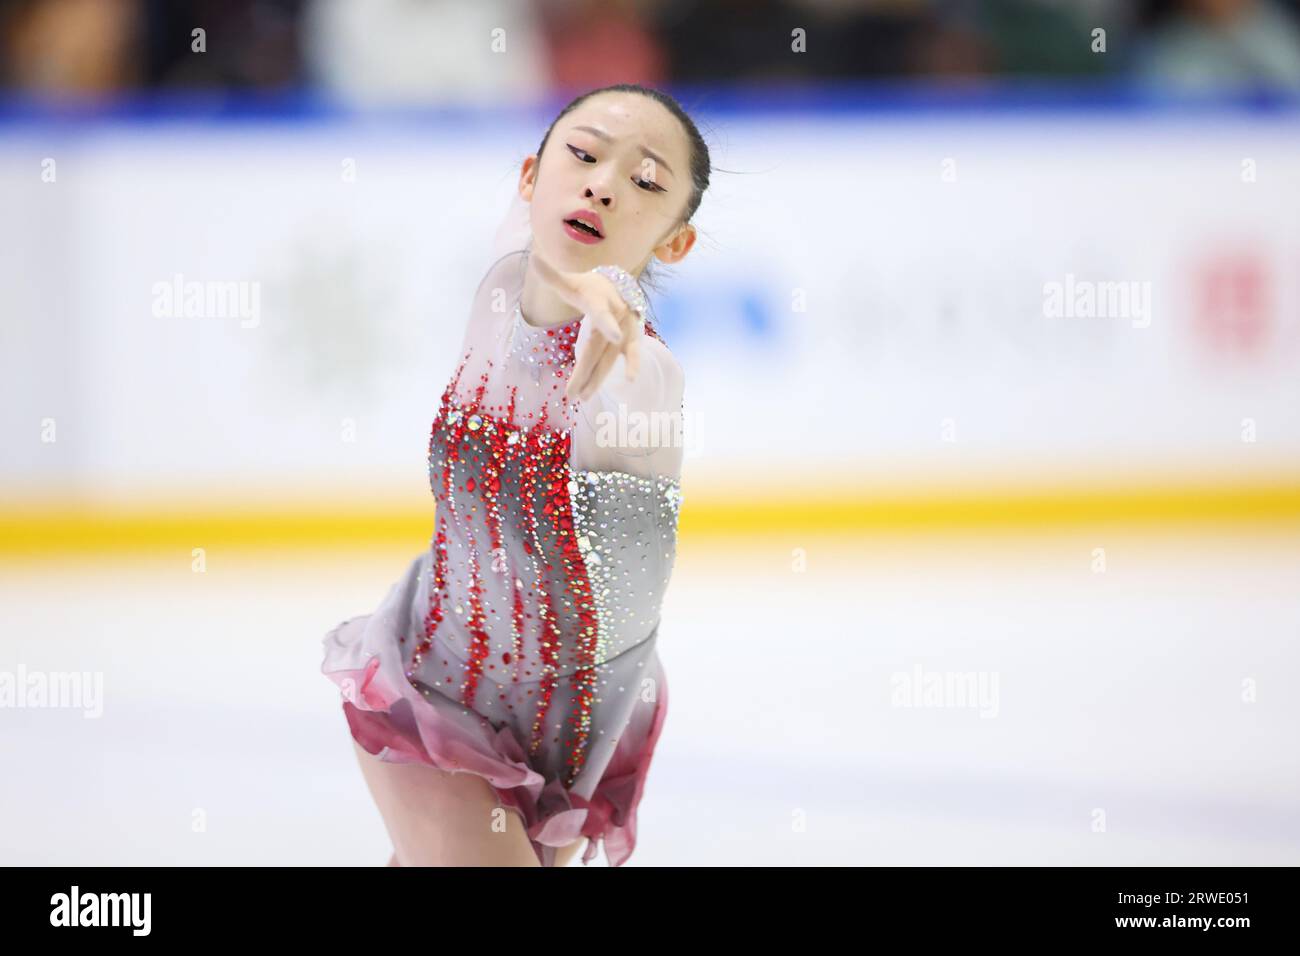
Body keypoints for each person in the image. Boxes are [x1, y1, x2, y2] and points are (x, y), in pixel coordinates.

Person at [321, 83, 711, 866]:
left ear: (674, 244)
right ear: (530, 178)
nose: (603, 183)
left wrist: (620, 299)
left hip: (568, 732)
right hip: (428, 688)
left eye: (645, 182)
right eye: (585, 153)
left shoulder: (645, 375)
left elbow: (625, 360)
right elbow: (559, 270)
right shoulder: (504, 281)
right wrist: (593, 288)